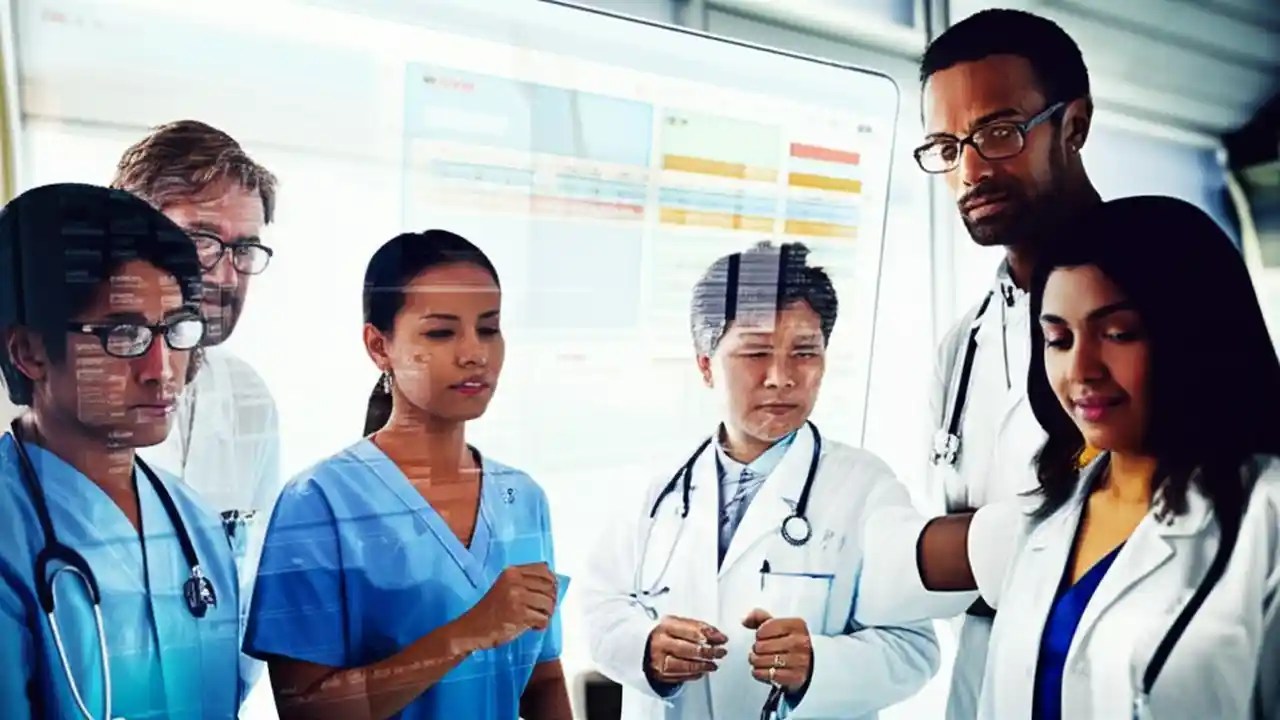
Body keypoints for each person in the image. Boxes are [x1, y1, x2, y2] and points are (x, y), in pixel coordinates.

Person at [874, 197, 1280, 718]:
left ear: (1193, 333)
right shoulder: (1047, 521)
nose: (1081, 370)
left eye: (1118, 334)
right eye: (1058, 339)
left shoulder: (1265, 520)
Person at [580, 241, 940, 720]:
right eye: (755, 352)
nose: (781, 378)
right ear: (706, 365)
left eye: (804, 352)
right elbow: (601, 609)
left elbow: (914, 649)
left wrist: (820, 665)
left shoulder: (868, 489)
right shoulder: (655, 491)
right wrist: (646, 648)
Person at [874, 11, 1105, 720]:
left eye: (999, 133)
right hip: (985, 689)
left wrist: (948, 549)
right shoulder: (963, 343)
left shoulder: (1169, 294)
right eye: (946, 145)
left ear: (1073, 125)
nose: (970, 169)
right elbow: (926, 575)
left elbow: (1135, 539)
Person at [243, 230, 572, 720]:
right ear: (380, 347)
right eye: (441, 333)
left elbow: (543, 680)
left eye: (488, 328)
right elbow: (304, 708)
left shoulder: (521, 499)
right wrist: (465, 632)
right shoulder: (319, 503)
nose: (474, 353)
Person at [0, 183, 243, 718]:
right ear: (31, 353)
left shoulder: (195, 523)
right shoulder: (9, 536)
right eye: (125, 335)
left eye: (176, 329)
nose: (161, 370)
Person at [111, 119, 281, 697]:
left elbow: (246, 595)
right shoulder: (40, 396)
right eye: (202, 240)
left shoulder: (249, 402)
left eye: (245, 249)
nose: (226, 273)